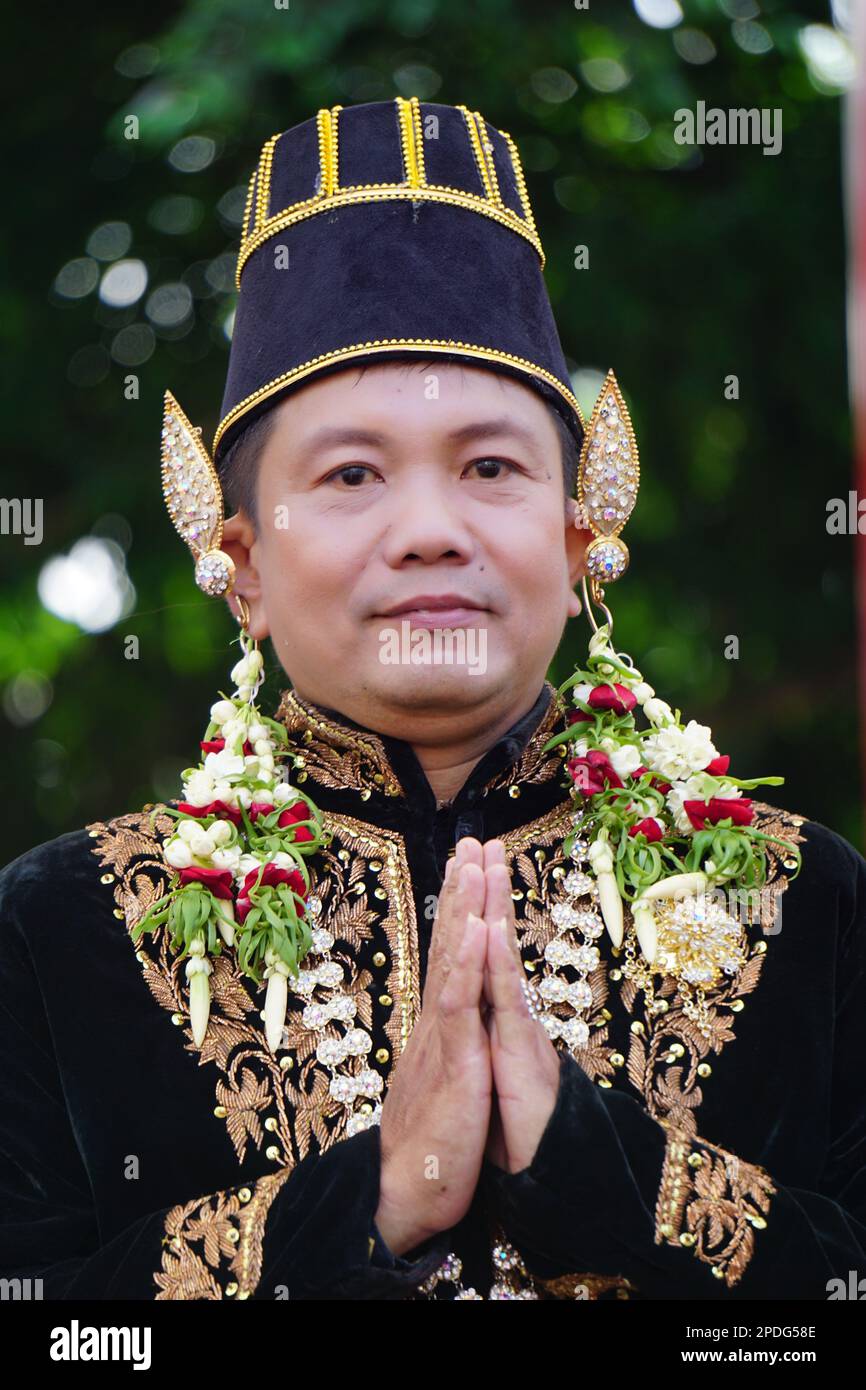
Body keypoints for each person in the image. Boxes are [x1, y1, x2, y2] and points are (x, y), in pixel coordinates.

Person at [1, 97, 864, 1302]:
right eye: (350, 474)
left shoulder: (804, 903)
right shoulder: (61, 932)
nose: (428, 532)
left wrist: (596, 1170)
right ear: (241, 566)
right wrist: (369, 1197)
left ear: (579, 541)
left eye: (490, 467)